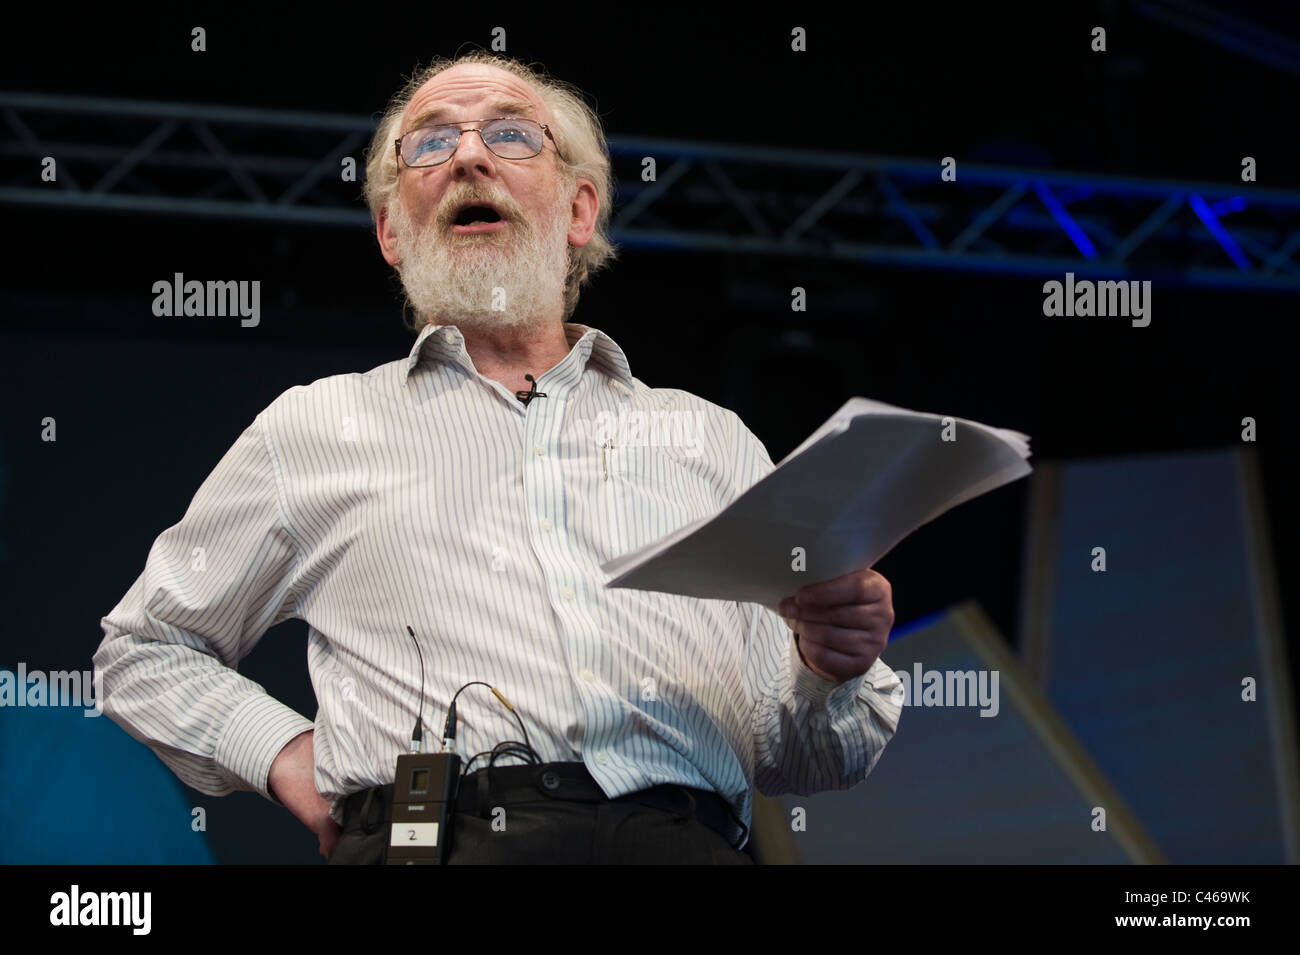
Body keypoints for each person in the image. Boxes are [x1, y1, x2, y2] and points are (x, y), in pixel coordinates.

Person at [93, 51, 902, 865]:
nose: (470, 157)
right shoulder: (315, 427)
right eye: (430, 143)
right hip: (444, 841)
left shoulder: (709, 441)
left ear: (580, 208)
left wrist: (825, 666)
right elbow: (144, 649)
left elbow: (804, 755)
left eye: (512, 136)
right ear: (391, 232)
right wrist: (286, 755)